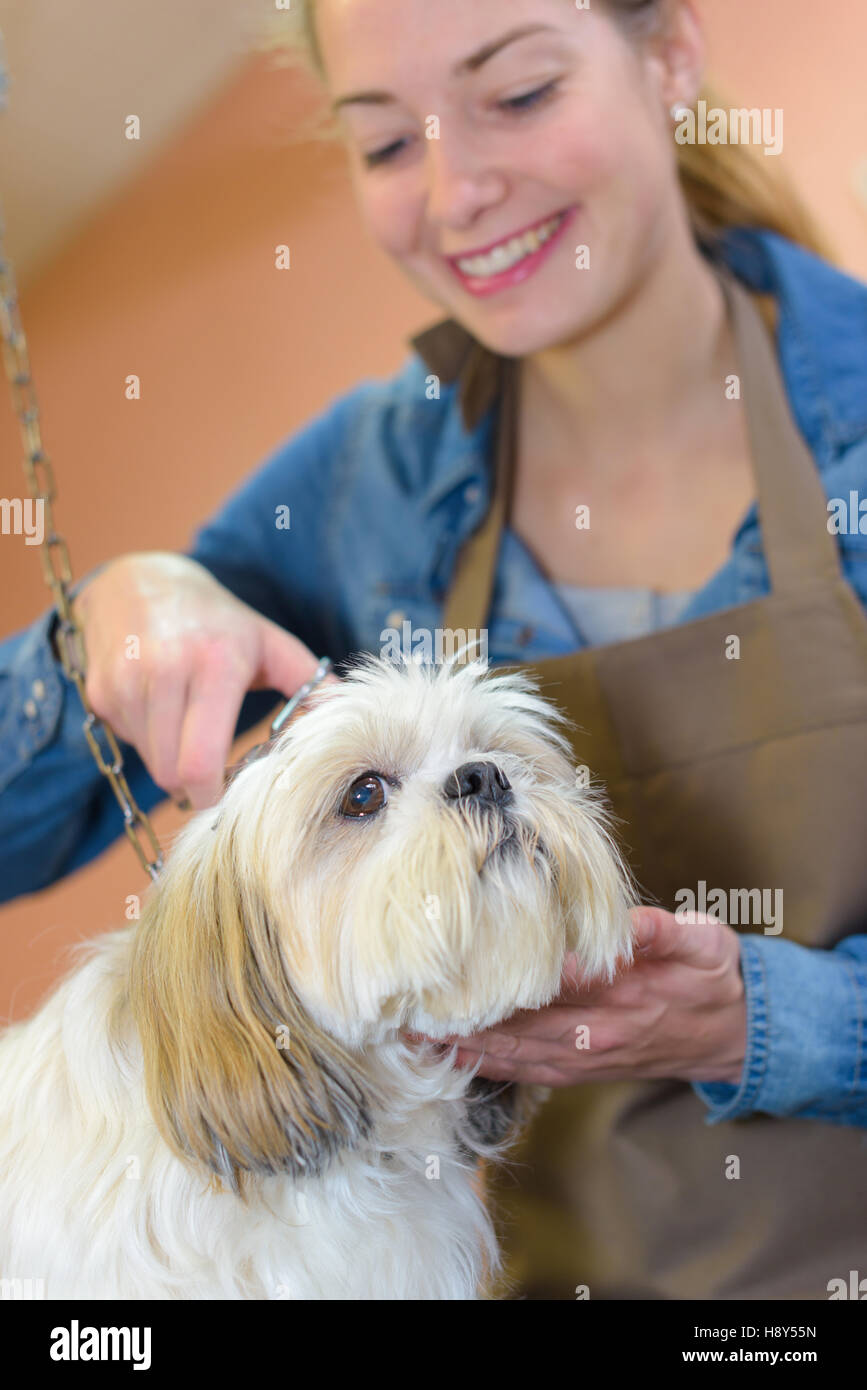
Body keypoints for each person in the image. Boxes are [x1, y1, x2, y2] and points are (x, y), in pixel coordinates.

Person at [2, 0, 866, 1299]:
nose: (458, 188)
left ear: (671, 55)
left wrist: (775, 1021)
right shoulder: (369, 480)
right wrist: (110, 624)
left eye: (517, 95)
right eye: (388, 142)